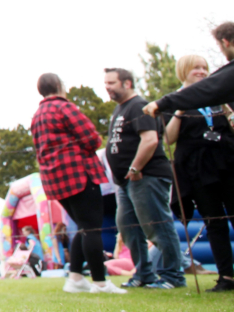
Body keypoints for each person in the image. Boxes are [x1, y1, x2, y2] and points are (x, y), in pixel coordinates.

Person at [147, 36, 234, 292]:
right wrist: (181, 109)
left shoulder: (220, 97)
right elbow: (170, 139)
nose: (202, 72)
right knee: (214, 222)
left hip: (226, 164)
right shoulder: (177, 100)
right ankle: (226, 277)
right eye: (196, 68)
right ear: (184, 71)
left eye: (205, 68)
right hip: (198, 171)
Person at [29, 72, 126, 294]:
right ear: (59, 86)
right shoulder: (65, 107)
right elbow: (92, 138)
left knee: (83, 227)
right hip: (78, 174)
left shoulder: (37, 115)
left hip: (54, 180)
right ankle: (100, 282)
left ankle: (75, 278)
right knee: (92, 228)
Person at [104, 67, 184, 288]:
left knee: (157, 225)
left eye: (112, 83)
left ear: (127, 83)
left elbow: (150, 140)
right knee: (128, 228)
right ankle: (143, 274)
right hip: (125, 182)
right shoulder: (119, 110)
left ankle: (173, 275)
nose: (107, 87)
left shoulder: (139, 106)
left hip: (146, 176)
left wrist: (136, 168)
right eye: (106, 83)